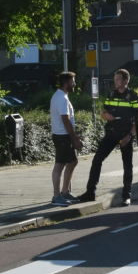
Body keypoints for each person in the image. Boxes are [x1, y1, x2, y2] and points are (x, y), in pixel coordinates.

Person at [80, 69, 138, 206]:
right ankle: (90, 192)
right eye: (115, 79)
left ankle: (126, 196)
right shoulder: (111, 94)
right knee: (97, 160)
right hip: (111, 133)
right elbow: (103, 113)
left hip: (125, 135)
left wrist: (129, 136)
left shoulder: (133, 96)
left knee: (127, 165)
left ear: (125, 81)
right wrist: (106, 116)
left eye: (118, 79)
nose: (115, 82)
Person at [50, 72, 82, 206]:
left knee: (73, 161)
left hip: (64, 135)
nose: (74, 84)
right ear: (65, 84)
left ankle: (65, 192)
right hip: (62, 136)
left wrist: (73, 136)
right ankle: (57, 196)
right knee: (60, 165)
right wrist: (75, 139)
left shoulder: (61, 96)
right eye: (72, 82)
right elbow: (65, 120)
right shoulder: (61, 98)